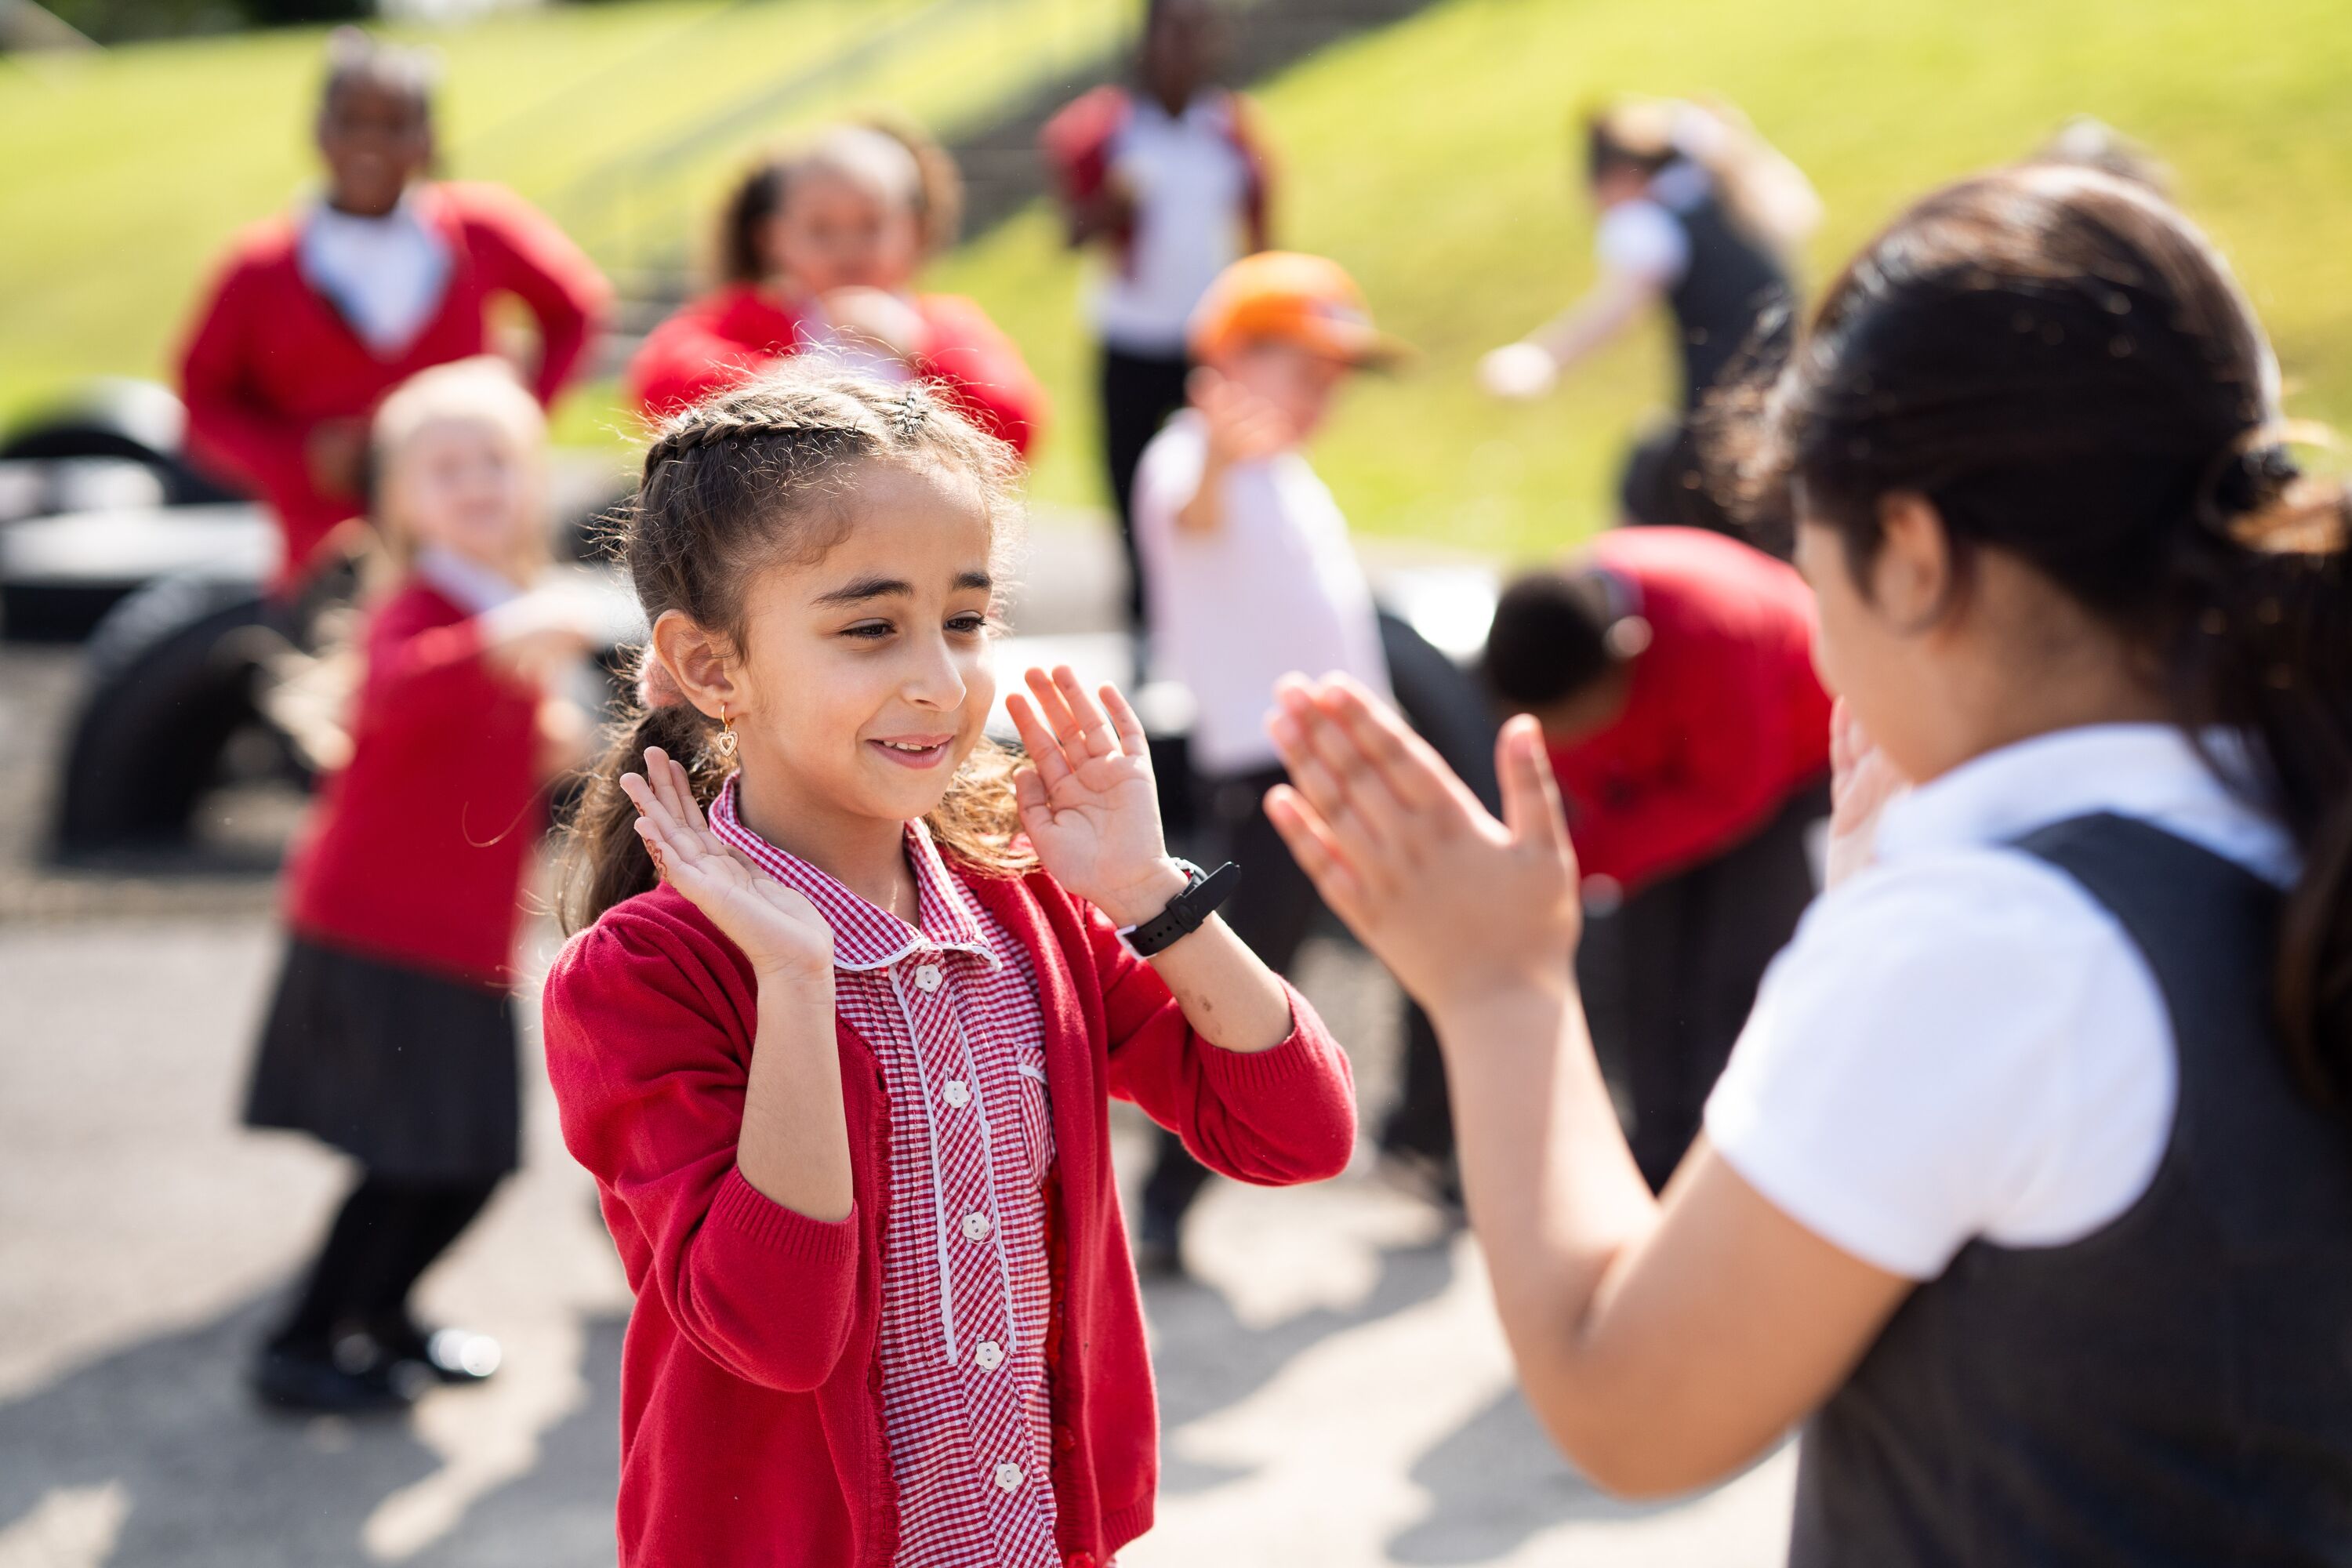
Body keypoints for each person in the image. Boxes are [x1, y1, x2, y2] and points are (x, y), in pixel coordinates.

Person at [1261, 164, 2352, 1559]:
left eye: (1813, 551)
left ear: (1908, 556)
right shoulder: (2281, 805)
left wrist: (1498, 986)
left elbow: (1627, 1400)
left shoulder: (1990, 946)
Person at [539, 365, 1356, 1568]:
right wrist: (799, 983)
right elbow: (777, 1330)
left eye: (965, 619)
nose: (940, 678)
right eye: (871, 628)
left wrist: (1141, 892)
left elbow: (1295, 1134)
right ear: (714, 669)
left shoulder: (1026, 903)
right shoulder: (641, 979)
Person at [241, 359, 600, 1414]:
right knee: (414, 1155)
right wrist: (496, 650)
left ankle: (385, 1313)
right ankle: (304, 1338)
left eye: (497, 459)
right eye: (446, 465)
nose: (477, 480)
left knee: (472, 1156)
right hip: (383, 930)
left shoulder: (500, 603)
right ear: (398, 496)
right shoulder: (427, 607)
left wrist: (540, 730)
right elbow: (397, 692)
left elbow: (470, 737)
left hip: (461, 934)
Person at [1125, 251, 1476, 1263]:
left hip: (1348, 759)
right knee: (1242, 981)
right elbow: (1189, 509)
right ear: (1231, 359)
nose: (1323, 398)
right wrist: (1225, 460)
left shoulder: (1282, 472)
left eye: (1334, 381)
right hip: (1272, 769)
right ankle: (1166, 1197)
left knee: (1430, 938)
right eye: (1306, 372)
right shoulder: (1193, 459)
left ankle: (1426, 1140)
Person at [179, 28, 609, 596]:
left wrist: (511, 422)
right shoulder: (259, 267)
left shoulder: (480, 229)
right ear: (319, 129)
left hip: (474, 543)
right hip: (327, 553)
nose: (371, 142)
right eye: (352, 119)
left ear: (427, 137)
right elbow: (201, 402)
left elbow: (576, 307)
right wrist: (296, 459)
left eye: (394, 123)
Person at [1480, 528, 1830, 1189]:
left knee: (1736, 961)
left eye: (1576, 724)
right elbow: (1573, 769)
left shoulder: (1711, 631)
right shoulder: (1557, 642)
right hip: (1672, 767)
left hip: (1788, 762)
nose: (1565, 742)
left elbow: (1734, 790)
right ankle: (1657, 1153)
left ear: (1626, 660)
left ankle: (1729, 1170)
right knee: (1650, 961)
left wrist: (1586, 858)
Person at [1479, 98, 1816, 533]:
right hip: (1785, 414)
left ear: (1618, 179)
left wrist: (1541, 358)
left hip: (1721, 434)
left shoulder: (1652, 225)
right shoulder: (1730, 201)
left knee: (1646, 486)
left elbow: (1618, 311)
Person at [1042, 0, 1272, 632]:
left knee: (1226, 482)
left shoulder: (1228, 129)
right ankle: (1147, 627)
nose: (1185, 49)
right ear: (1146, 42)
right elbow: (1070, 234)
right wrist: (1110, 206)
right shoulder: (1108, 130)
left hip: (1208, 342)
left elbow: (1261, 234)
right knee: (1133, 490)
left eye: (1198, 34)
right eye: (1173, 34)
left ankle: (1224, 609)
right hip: (1131, 336)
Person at [626, 122, 1045, 456]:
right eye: (821, 229)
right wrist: (784, 383)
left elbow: (1018, 427)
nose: (848, 247)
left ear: (915, 230)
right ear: (773, 239)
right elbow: (657, 379)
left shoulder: (941, 327)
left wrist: (921, 350)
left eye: (871, 224)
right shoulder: (753, 317)